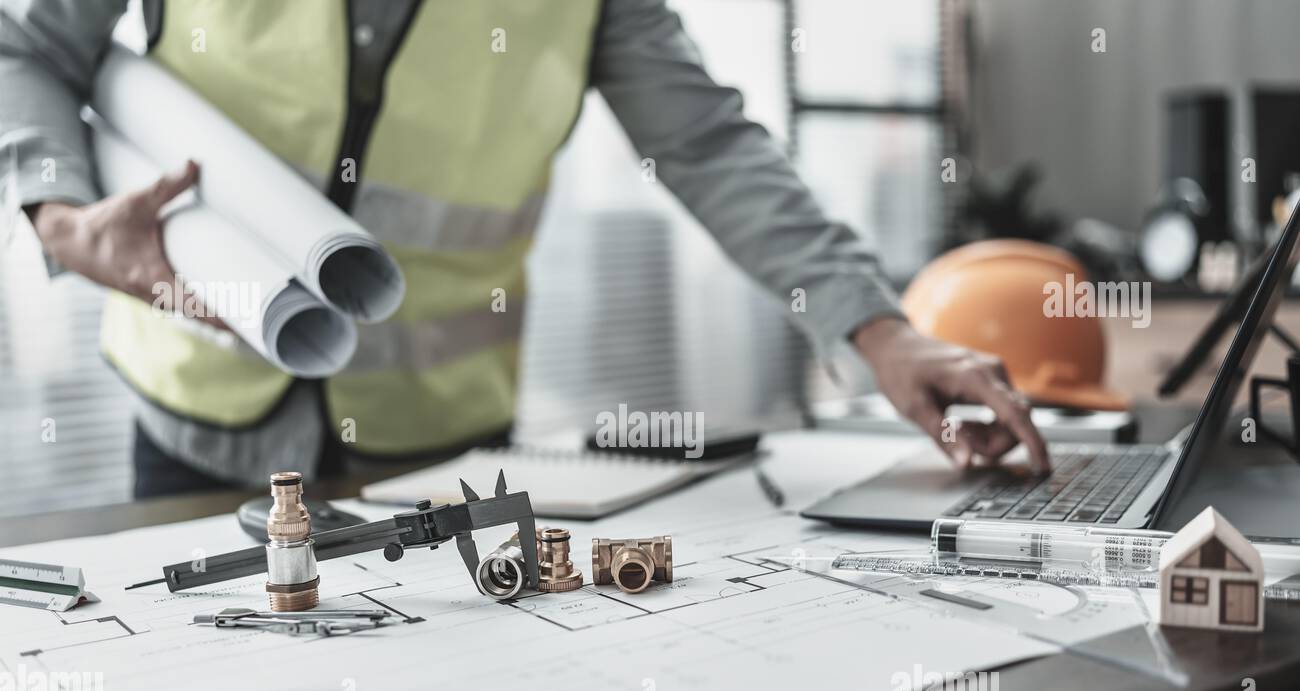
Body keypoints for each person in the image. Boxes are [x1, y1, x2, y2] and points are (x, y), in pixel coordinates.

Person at [0, 0, 1049, 498]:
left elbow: (706, 144)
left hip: (437, 442)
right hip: (196, 423)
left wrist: (879, 330)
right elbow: (28, 44)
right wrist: (62, 215)